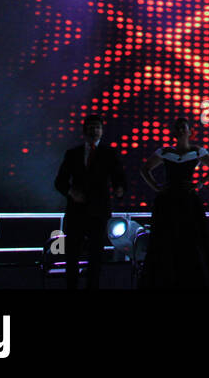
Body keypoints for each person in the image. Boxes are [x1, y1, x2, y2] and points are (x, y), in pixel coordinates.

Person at [139, 117, 209, 288]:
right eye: (178, 128)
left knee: (192, 238)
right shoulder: (165, 151)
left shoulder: (197, 151)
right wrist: (156, 187)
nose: (182, 130)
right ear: (174, 132)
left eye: (184, 127)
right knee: (165, 238)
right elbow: (145, 169)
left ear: (190, 131)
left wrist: (199, 183)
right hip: (168, 200)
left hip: (188, 200)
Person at [54, 113, 126, 289]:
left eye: (98, 127)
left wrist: (119, 189)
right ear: (85, 130)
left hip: (98, 212)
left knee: (96, 257)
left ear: (102, 131)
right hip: (76, 211)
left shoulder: (109, 153)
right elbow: (60, 182)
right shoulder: (73, 154)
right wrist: (71, 192)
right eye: (91, 127)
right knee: (72, 256)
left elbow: (119, 177)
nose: (94, 130)